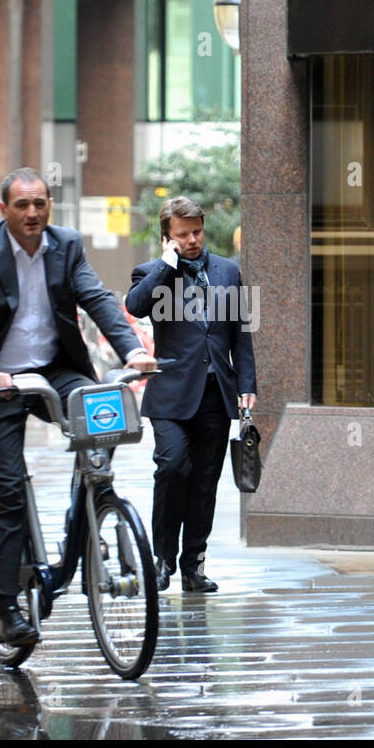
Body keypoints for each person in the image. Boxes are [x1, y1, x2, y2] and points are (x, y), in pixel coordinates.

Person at [0, 167, 156, 646]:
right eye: (22, 205)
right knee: (8, 485)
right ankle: (6, 604)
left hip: (55, 368)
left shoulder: (67, 244)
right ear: (4, 210)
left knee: (105, 420)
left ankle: (93, 502)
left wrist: (132, 350)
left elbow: (97, 298)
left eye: (41, 203)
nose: (33, 213)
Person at [125, 196, 256, 593]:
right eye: (183, 235)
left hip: (217, 394)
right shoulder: (152, 272)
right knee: (171, 467)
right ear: (168, 237)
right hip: (170, 394)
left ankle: (193, 566)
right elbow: (136, 304)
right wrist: (167, 264)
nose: (193, 239)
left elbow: (240, 333)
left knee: (204, 481)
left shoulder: (229, 272)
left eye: (197, 231)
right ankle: (161, 559)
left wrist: (247, 384)